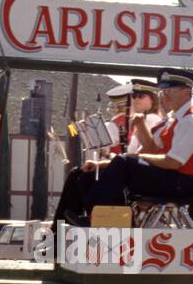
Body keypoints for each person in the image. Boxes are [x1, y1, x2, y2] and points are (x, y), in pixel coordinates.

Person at [84, 68, 193, 216]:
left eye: (170, 90)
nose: (165, 95)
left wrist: (140, 157)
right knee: (85, 174)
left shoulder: (192, 120)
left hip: (182, 183)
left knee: (124, 163)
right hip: (168, 177)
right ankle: (65, 221)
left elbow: (173, 162)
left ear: (187, 92)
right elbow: (150, 149)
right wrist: (100, 164)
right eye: (163, 91)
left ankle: (101, 218)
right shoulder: (172, 120)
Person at [55, 80, 164, 224]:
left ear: (152, 99)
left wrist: (105, 161)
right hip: (130, 169)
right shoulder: (140, 120)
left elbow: (140, 155)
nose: (135, 99)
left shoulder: (151, 119)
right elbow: (130, 156)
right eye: (134, 95)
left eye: (141, 95)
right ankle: (66, 225)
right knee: (78, 174)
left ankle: (91, 220)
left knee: (84, 177)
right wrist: (101, 163)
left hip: (140, 175)